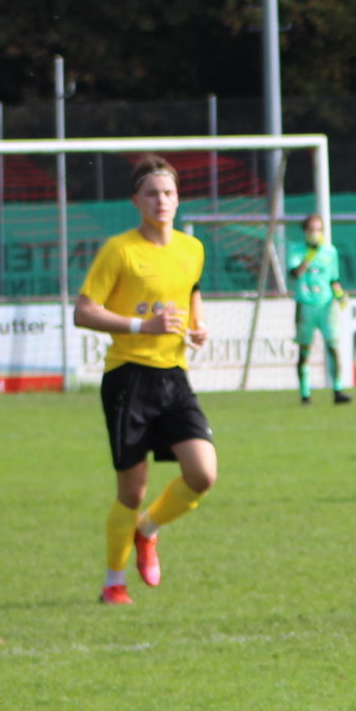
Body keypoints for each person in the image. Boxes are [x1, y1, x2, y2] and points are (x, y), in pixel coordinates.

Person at [73, 155, 215, 605]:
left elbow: (192, 290)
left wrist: (198, 325)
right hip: (128, 379)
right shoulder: (120, 250)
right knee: (131, 491)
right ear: (135, 200)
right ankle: (113, 584)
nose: (161, 201)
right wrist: (141, 326)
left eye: (169, 193)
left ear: (179, 199)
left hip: (174, 376)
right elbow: (83, 312)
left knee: (203, 473)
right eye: (152, 193)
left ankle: (147, 531)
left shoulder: (192, 249)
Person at [288, 212, 349, 405]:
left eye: (318, 230)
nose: (315, 233)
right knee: (304, 350)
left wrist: (340, 295)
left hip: (326, 306)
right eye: (311, 230)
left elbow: (334, 280)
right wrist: (310, 255)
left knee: (333, 346)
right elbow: (295, 274)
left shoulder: (330, 252)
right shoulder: (296, 250)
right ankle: (305, 394)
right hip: (305, 305)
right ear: (305, 232)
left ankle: (338, 390)